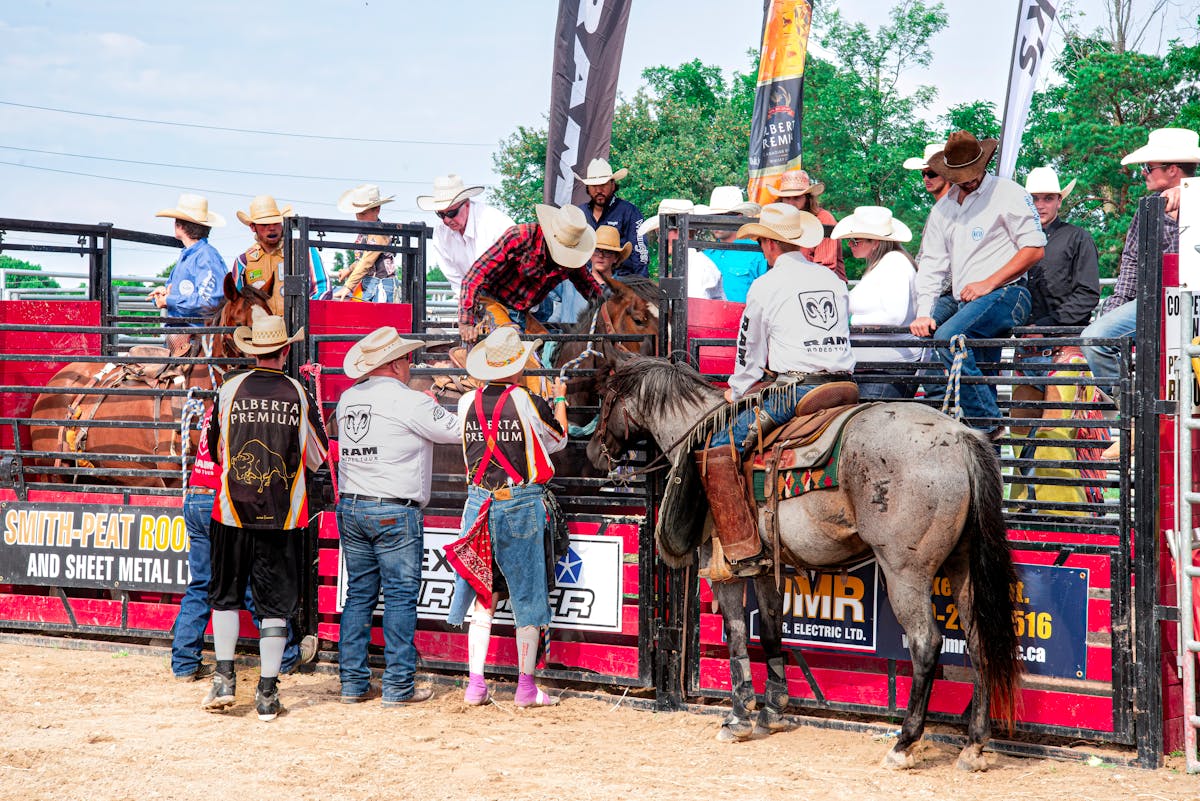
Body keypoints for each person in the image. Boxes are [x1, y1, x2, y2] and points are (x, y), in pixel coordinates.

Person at [699, 204, 853, 576]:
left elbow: (748, 353)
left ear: (768, 243)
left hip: (796, 390)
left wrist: (736, 391)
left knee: (719, 447)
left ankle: (742, 547)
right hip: (845, 387)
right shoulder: (833, 280)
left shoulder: (765, 285)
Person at [202, 315, 329, 721]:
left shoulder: (228, 389)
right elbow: (316, 455)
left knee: (224, 596)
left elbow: (215, 449)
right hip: (282, 517)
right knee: (274, 607)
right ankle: (268, 692)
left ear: (249, 350)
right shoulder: (297, 392)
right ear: (287, 351)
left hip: (231, 511)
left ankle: (224, 677)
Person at [444, 327, 569, 708]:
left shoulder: (467, 402)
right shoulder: (526, 400)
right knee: (527, 596)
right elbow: (558, 439)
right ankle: (526, 688)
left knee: (485, 592)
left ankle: (476, 685)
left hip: (478, 503)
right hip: (518, 504)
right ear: (517, 366)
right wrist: (561, 399)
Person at [334, 327, 460, 706]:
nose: (410, 364)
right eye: (405, 358)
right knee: (401, 598)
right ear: (394, 363)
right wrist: (437, 404)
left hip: (353, 504)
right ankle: (398, 686)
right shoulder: (411, 402)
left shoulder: (348, 398)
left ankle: (353, 684)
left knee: (359, 595)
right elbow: (456, 432)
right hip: (394, 509)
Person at [909, 131, 1046, 436]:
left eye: (972, 173)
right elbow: (932, 264)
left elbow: (1035, 248)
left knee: (948, 337)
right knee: (946, 342)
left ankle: (986, 423)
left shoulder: (1008, 193)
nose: (968, 180)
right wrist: (923, 311)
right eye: (960, 175)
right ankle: (977, 433)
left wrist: (989, 282)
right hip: (969, 301)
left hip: (1008, 293)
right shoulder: (942, 209)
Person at [171, 408, 315, 681]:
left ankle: (184, 662)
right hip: (221, 501)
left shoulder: (220, 405)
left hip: (196, 493)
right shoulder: (244, 408)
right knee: (251, 581)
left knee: (202, 583)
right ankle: (285, 656)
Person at [1081, 128, 1199, 387]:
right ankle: (1128, 407)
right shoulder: (1147, 208)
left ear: (1172, 170)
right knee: (1096, 338)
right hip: (1157, 303)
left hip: (1194, 306)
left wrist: (1191, 195)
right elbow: (1132, 264)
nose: (1143, 172)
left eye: (1149, 166)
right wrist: (1111, 311)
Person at [457, 203, 601, 344]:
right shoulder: (520, 237)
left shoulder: (572, 259)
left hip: (523, 311)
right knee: (507, 350)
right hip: (493, 301)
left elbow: (588, 285)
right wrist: (466, 323)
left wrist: (609, 305)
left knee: (546, 350)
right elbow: (475, 275)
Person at [832, 206, 921, 399]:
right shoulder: (883, 264)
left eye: (855, 240)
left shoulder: (894, 263)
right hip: (879, 367)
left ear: (876, 242)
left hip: (886, 370)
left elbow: (894, 316)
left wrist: (850, 321)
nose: (850, 244)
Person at [1022, 167, 1101, 335]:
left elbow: (1088, 294)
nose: (1040, 206)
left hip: (1065, 338)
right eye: (1034, 199)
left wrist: (1045, 326)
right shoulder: (1016, 240)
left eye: (1048, 199)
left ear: (1059, 201)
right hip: (1026, 339)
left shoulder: (1078, 238)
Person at [420, 175, 515, 300]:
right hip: (482, 295)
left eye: (451, 213)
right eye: (441, 215)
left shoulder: (494, 223)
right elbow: (456, 280)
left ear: (467, 204)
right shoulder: (441, 233)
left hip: (515, 291)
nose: (446, 220)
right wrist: (468, 304)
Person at [148, 194, 229, 325]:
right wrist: (162, 295)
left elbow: (208, 301)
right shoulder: (192, 255)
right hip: (183, 335)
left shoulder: (205, 256)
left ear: (179, 225)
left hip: (197, 338)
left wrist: (169, 300)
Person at [764, 169, 846, 281]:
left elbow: (825, 269)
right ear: (781, 199)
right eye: (787, 198)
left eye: (797, 197)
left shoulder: (823, 219)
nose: (791, 203)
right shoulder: (781, 220)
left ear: (807, 198)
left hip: (823, 288)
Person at [575, 157, 648, 278]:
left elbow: (640, 254)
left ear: (613, 185)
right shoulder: (579, 213)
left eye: (603, 184)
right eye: (594, 186)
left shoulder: (629, 212)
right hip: (585, 283)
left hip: (622, 283)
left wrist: (640, 287)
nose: (598, 190)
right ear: (588, 188)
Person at [639, 198, 725, 300]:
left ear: (678, 231)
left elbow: (691, 310)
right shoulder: (687, 262)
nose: (658, 239)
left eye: (660, 232)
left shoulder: (697, 265)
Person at [697, 186, 767, 303]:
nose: (716, 222)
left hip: (746, 319)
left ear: (738, 218)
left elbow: (766, 297)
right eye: (713, 217)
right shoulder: (705, 256)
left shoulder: (756, 253)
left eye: (721, 216)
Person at [231, 195, 293, 317]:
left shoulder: (302, 253)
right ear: (253, 227)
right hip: (260, 331)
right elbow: (236, 301)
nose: (271, 228)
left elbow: (321, 290)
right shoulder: (243, 261)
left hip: (298, 331)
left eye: (276, 222)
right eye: (264, 224)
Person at [334, 184, 397, 302]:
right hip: (370, 285)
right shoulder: (366, 232)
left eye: (363, 214)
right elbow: (363, 260)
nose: (359, 217)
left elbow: (366, 261)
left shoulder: (379, 232)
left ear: (377, 209)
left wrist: (348, 286)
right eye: (357, 213)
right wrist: (349, 269)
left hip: (381, 287)